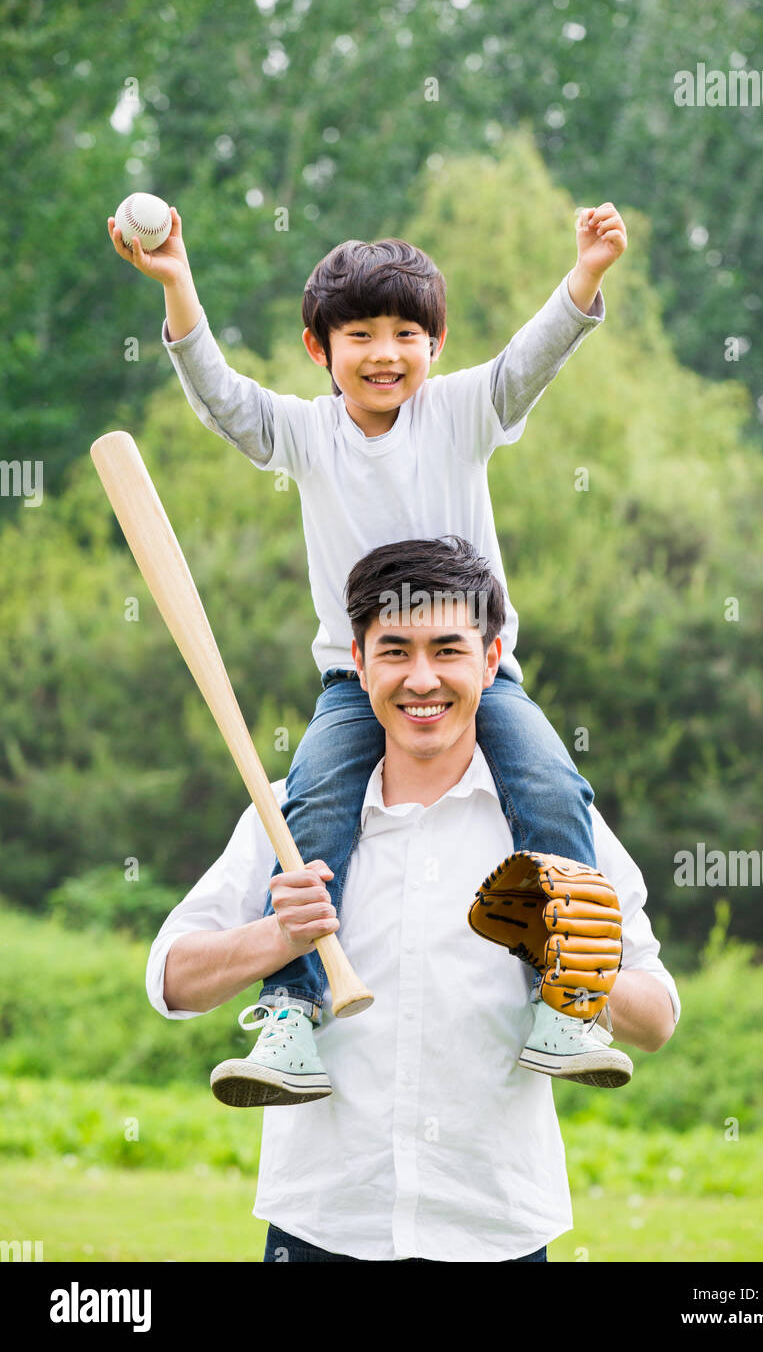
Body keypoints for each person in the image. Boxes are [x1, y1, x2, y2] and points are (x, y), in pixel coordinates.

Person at [111, 195, 630, 1103]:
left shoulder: (463, 412)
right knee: (309, 807)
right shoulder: (308, 435)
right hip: (355, 686)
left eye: (405, 334)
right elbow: (223, 400)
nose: (384, 353)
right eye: (359, 335)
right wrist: (179, 285)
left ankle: (568, 1002)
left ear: (434, 345)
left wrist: (583, 277)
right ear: (321, 350)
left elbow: (530, 359)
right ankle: (291, 1017)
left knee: (552, 787)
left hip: (483, 677)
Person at [146, 538, 680, 1263]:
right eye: (395, 651)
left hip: (496, 1229)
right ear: (357, 663)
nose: (421, 679)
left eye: (448, 650)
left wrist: (572, 960)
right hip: (323, 1226)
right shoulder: (289, 817)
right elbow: (172, 980)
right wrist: (277, 938)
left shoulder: (558, 829)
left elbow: (655, 1020)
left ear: (491, 662)